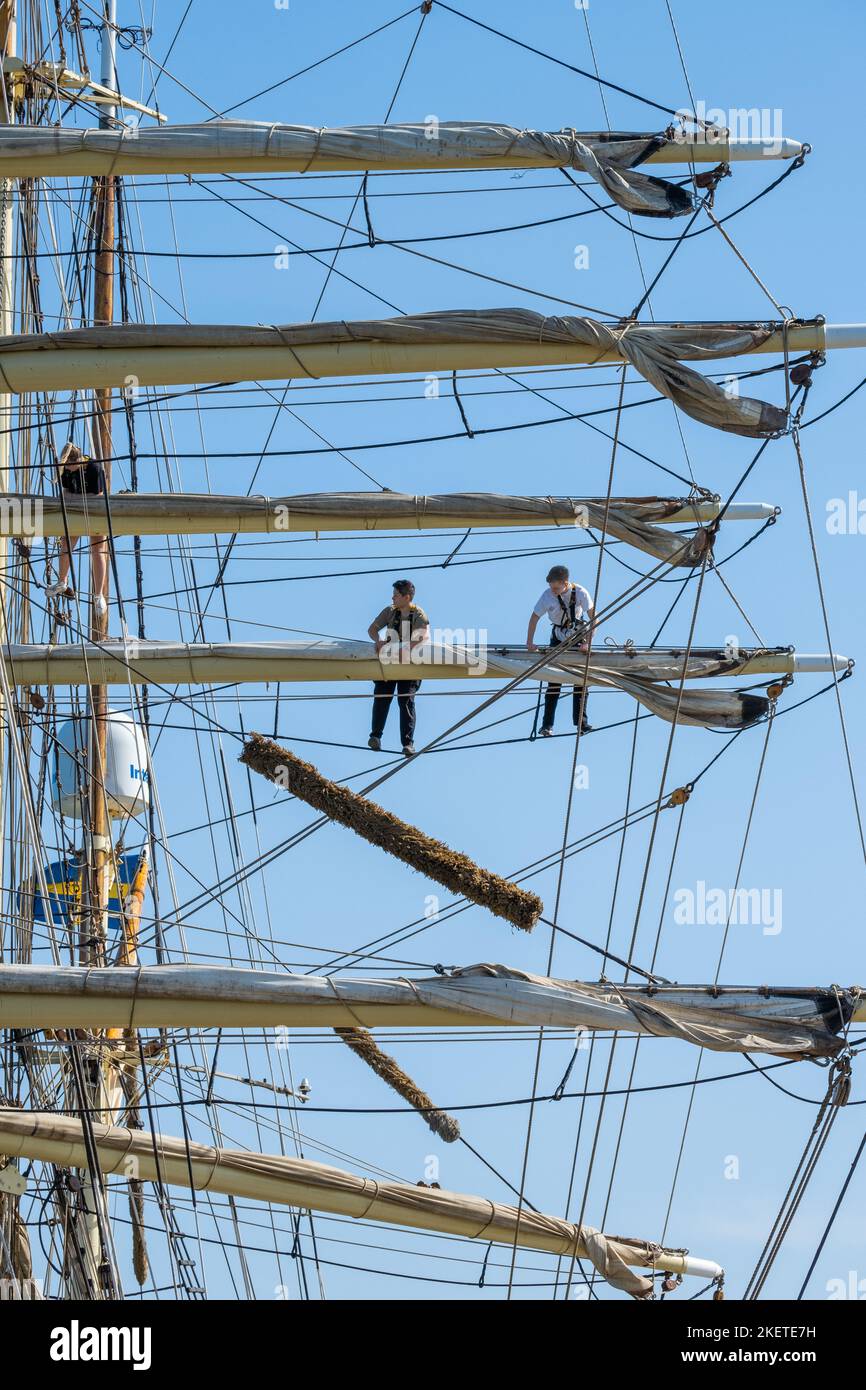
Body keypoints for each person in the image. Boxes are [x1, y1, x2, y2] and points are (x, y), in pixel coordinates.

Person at [526, 564, 595, 737]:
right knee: (553, 683)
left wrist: (589, 643)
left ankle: (582, 724)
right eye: (551, 586)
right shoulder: (547, 596)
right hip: (557, 637)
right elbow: (534, 618)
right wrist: (529, 642)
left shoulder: (580, 593)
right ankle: (547, 725)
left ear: (565, 583)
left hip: (578, 636)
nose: (553, 590)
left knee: (580, 682)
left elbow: (594, 618)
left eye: (556, 587)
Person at [44, 441, 108, 618]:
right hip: (73, 506)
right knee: (65, 546)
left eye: (69, 467)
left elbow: (99, 496)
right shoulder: (65, 470)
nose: (68, 470)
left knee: (97, 550)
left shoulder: (94, 469)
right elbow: (65, 491)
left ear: (77, 461)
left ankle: (98, 595)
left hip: (95, 507)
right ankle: (62, 582)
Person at [367, 579, 430, 757]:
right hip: (390, 661)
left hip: (409, 665)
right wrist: (377, 640)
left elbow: (423, 635)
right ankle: (375, 736)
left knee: (405, 700)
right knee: (382, 696)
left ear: (406, 597)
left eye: (396, 595)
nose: (392, 598)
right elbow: (372, 629)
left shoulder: (418, 613)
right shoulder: (390, 611)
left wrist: (407, 648)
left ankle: (408, 743)